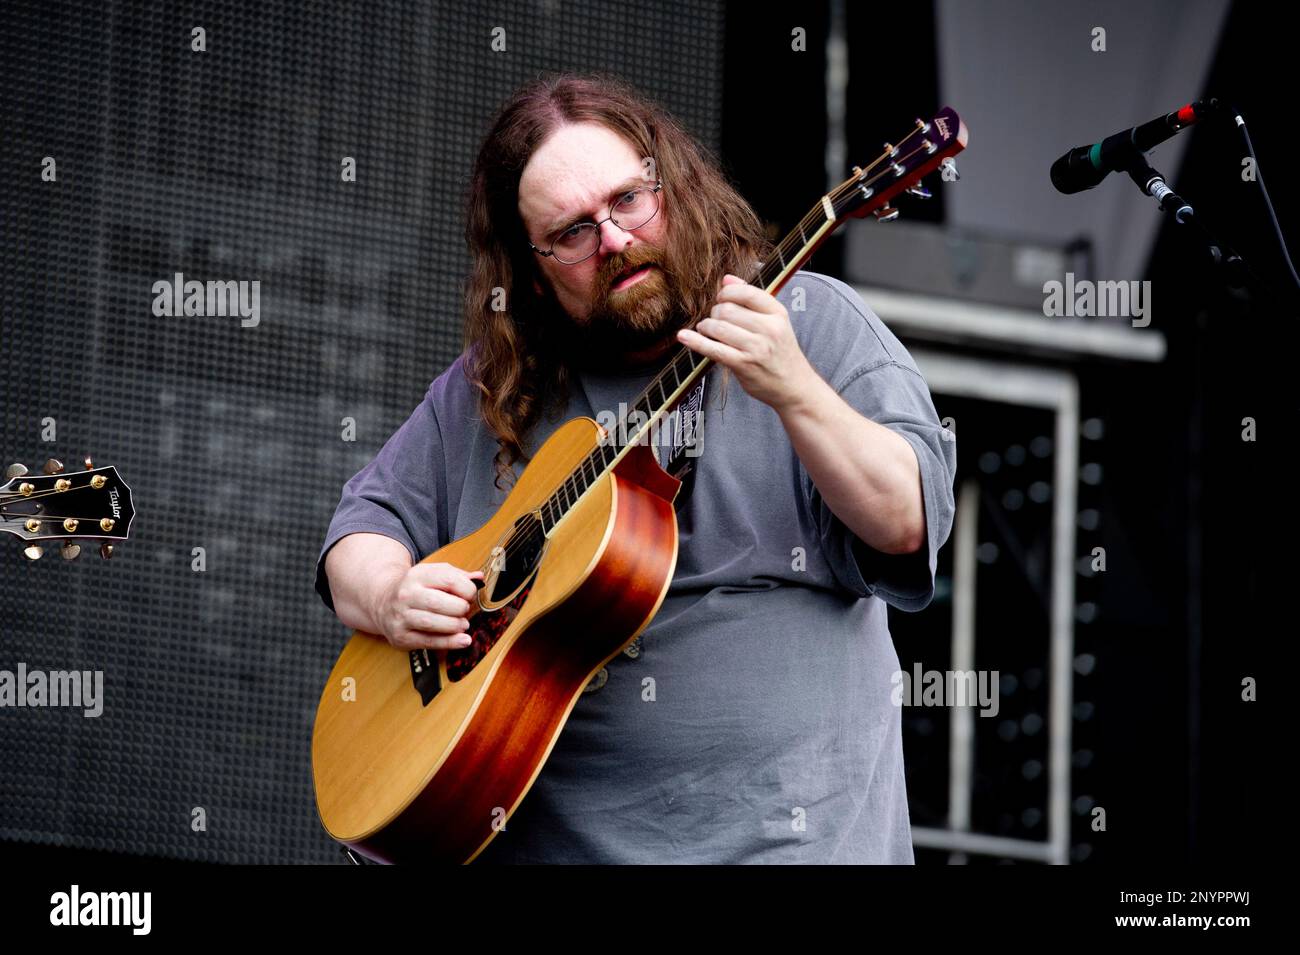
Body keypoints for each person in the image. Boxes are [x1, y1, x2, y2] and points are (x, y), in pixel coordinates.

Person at [314, 72, 956, 863]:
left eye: (628, 201)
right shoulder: (497, 385)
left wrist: (794, 389)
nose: (613, 239)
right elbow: (358, 536)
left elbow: (907, 521)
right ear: (533, 265)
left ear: (673, 186)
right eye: (574, 232)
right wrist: (390, 594)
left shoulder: (812, 322)